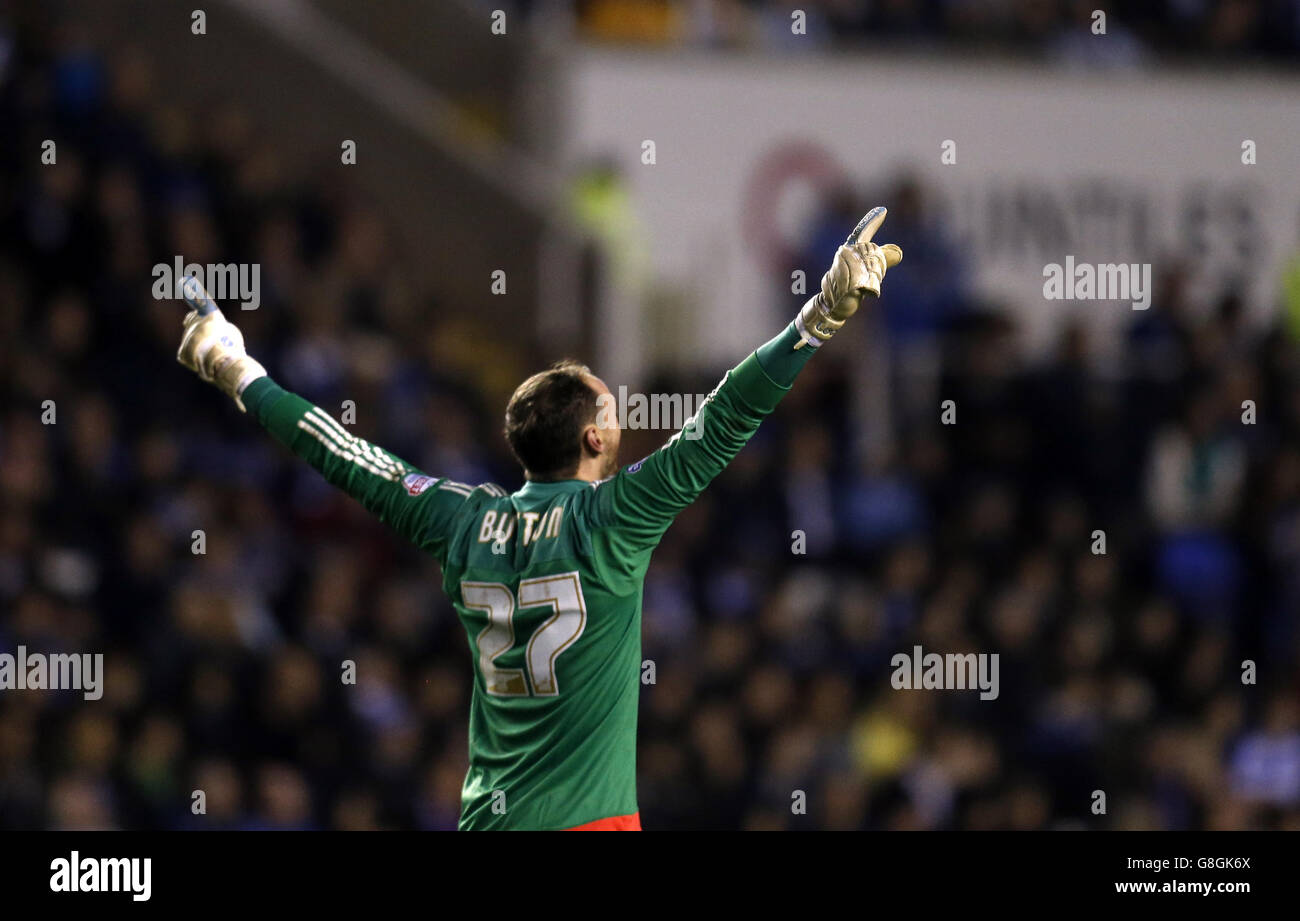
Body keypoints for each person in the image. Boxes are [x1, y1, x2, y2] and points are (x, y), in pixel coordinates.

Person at [173, 208, 902, 830]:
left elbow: (343, 453)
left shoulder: (460, 521)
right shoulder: (618, 517)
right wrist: (816, 319)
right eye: (610, 409)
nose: (620, 418)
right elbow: (724, 419)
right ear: (593, 439)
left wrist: (241, 372)